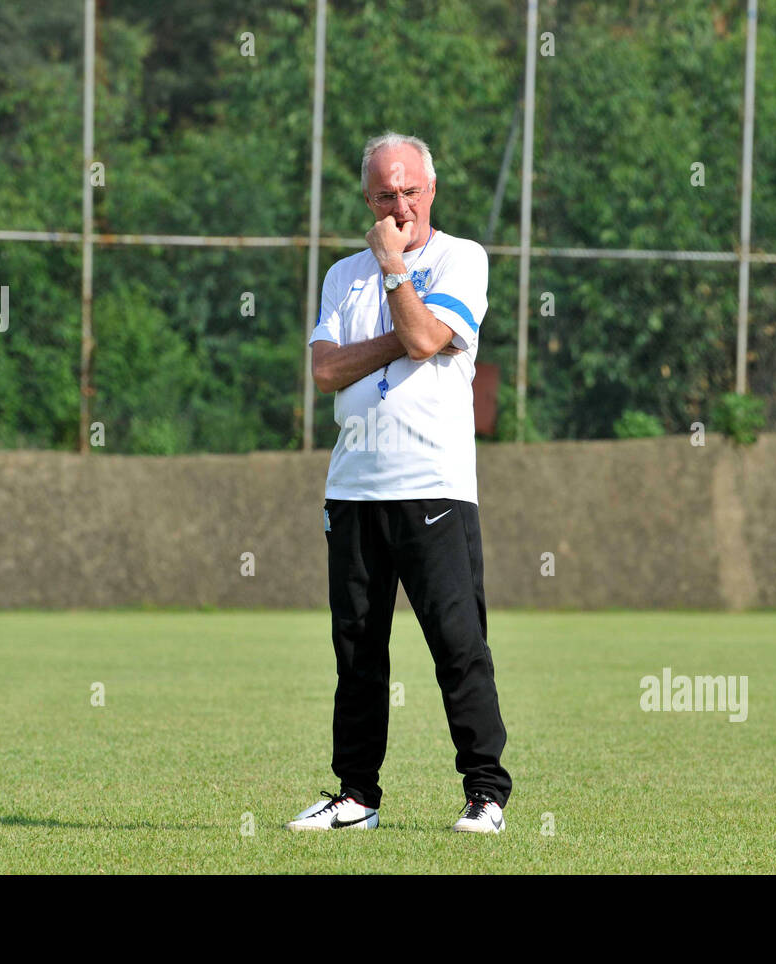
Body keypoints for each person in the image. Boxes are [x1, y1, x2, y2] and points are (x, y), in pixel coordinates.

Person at [285, 132, 511, 834]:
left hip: (432, 486)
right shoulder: (340, 274)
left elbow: (422, 337)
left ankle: (485, 794)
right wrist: (406, 329)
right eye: (386, 192)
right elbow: (325, 371)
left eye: (411, 189)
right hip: (353, 488)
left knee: (457, 641)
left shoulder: (461, 258)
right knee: (356, 649)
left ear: (432, 190)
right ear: (367, 198)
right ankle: (356, 797)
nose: (400, 203)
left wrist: (394, 273)